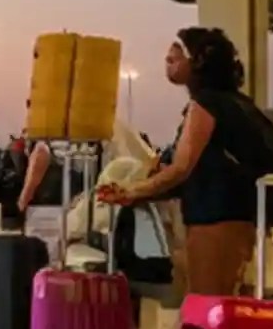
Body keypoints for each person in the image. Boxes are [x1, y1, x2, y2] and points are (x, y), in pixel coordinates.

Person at [101, 28, 256, 296]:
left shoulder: (205, 105)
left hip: (215, 219)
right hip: (231, 217)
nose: (168, 59)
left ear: (198, 61)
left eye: (177, 54)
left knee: (207, 304)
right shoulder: (234, 102)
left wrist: (132, 191)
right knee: (223, 303)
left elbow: (182, 168)